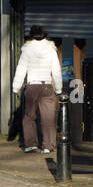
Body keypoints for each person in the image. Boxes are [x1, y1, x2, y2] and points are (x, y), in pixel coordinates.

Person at [12, 26, 62, 154]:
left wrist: (16, 87)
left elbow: (21, 69)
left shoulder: (27, 50)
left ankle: (30, 144)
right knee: (48, 118)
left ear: (31, 35)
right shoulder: (51, 49)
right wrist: (58, 88)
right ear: (44, 35)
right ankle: (48, 146)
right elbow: (56, 71)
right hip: (46, 86)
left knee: (29, 116)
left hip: (32, 86)